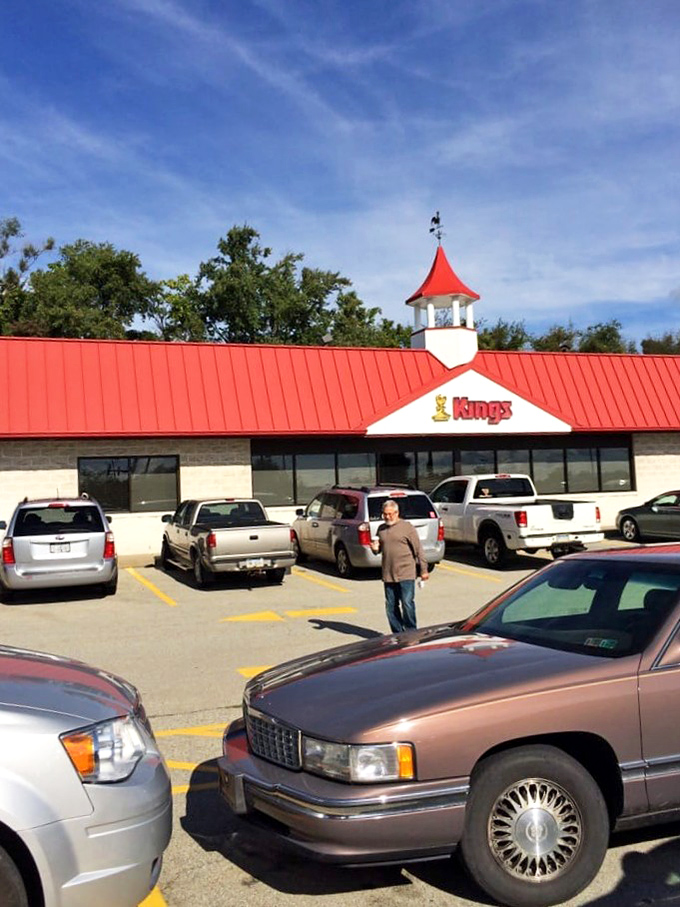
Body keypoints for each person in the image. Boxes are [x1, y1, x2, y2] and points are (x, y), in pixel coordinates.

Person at [370, 499, 429, 633]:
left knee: (407, 604)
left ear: (397, 513)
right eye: (385, 514)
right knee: (391, 606)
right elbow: (378, 550)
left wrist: (423, 570)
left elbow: (418, 549)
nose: (387, 517)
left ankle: (411, 632)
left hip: (406, 573)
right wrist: (374, 548)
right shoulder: (381, 529)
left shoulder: (407, 527)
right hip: (388, 574)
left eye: (390, 514)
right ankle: (397, 634)